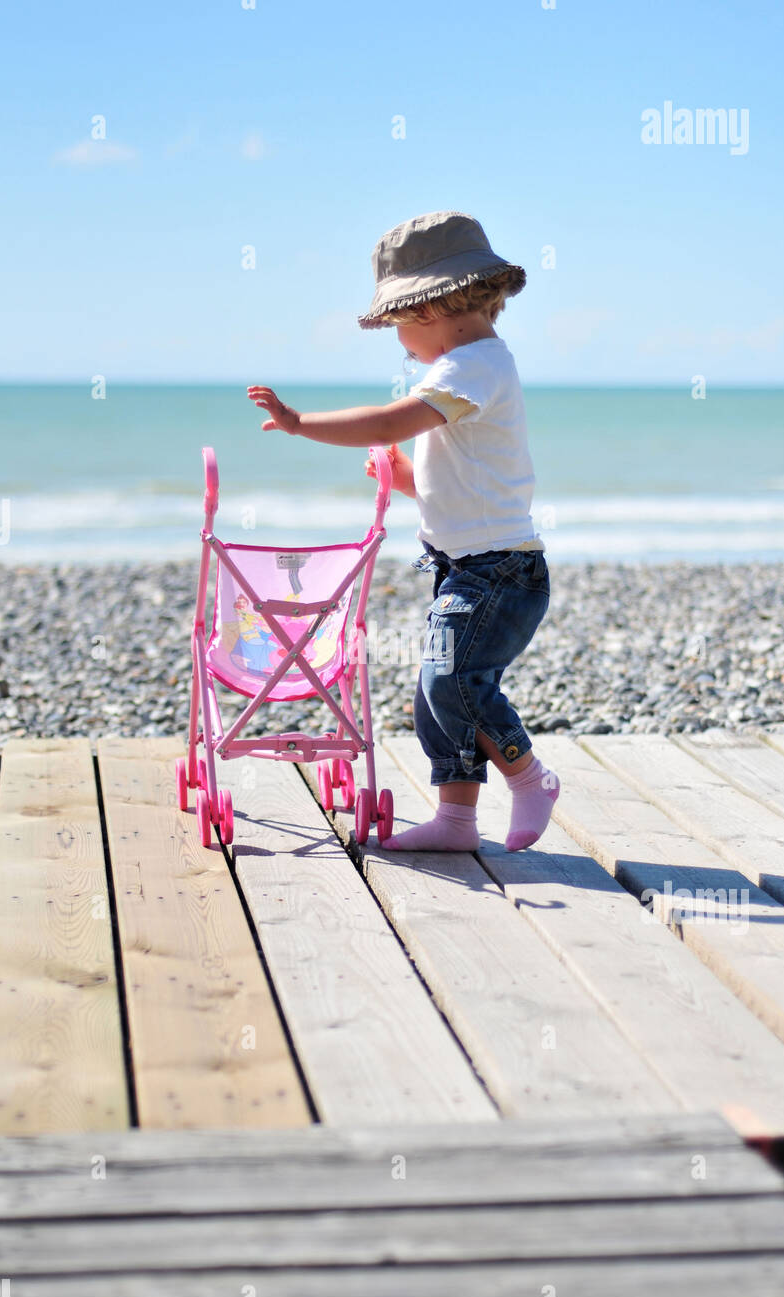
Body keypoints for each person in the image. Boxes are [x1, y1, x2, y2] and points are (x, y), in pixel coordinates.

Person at [248, 210, 559, 852]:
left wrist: (302, 422)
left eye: (399, 329)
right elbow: (464, 480)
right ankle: (456, 822)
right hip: (472, 566)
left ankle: (528, 775)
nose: (400, 345)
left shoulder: (470, 369)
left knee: (452, 683)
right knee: (437, 692)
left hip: (497, 573)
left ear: (431, 311)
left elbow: (390, 421)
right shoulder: (473, 371)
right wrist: (408, 479)